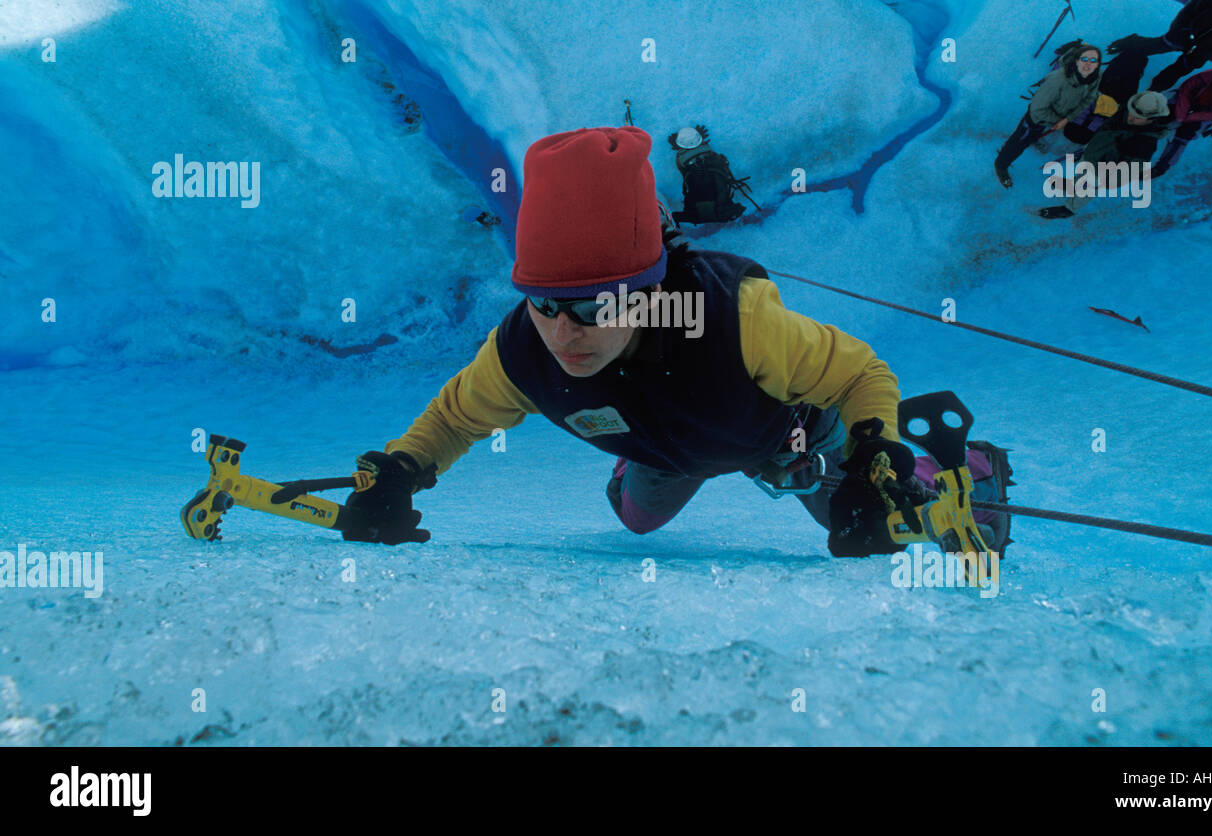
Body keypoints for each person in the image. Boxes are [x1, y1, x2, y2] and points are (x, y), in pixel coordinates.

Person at [342, 126, 1007, 558]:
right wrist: (400, 472)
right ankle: (638, 459)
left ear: (651, 289)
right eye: (544, 304)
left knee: (866, 520)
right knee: (636, 522)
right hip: (664, 451)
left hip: (788, 437)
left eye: (593, 306)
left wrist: (872, 457)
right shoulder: (521, 350)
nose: (563, 332)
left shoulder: (734, 320)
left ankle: (970, 467)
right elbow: (458, 417)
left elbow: (859, 376)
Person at [1040, 91, 1173, 219]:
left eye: (1137, 117)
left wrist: (1105, 182)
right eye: (1131, 112)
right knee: (1082, 174)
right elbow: (1106, 128)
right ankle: (1073, 185)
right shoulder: (1125, 113)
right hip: (1093, 153)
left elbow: (1129, 172)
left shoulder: (1145, 143)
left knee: (1087, 189)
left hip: (1103, 172)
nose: (1130, 117)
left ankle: (1069, 209)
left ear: (1151, 119)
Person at [995, 42, 1102, 188]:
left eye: (1093, 60)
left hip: (1058, 117)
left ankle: (1031, 140)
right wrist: (1058, 120)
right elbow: (1037, 110)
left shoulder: (1095, 76)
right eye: (1084, 59)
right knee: (1019, 141)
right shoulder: (1058, 80)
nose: (1088, 64)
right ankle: (1001, 165)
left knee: (1030, 137)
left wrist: (1067, 119)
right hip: (1037, 119)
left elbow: (1089, 98)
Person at [1152, 61, 1212, 177]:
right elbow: (1185, 91)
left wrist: (1189, 118)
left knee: (1185, 134)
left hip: (1205, 112)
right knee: (1163, 115)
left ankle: (1162, 167)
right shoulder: (1204, 77)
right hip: (1186, 100)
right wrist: (1181, 115)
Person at [668, 125, 751, 224]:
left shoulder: (680, 159)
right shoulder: (708, 150)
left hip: (698, 212)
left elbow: (683, 171)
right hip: (720, 209)